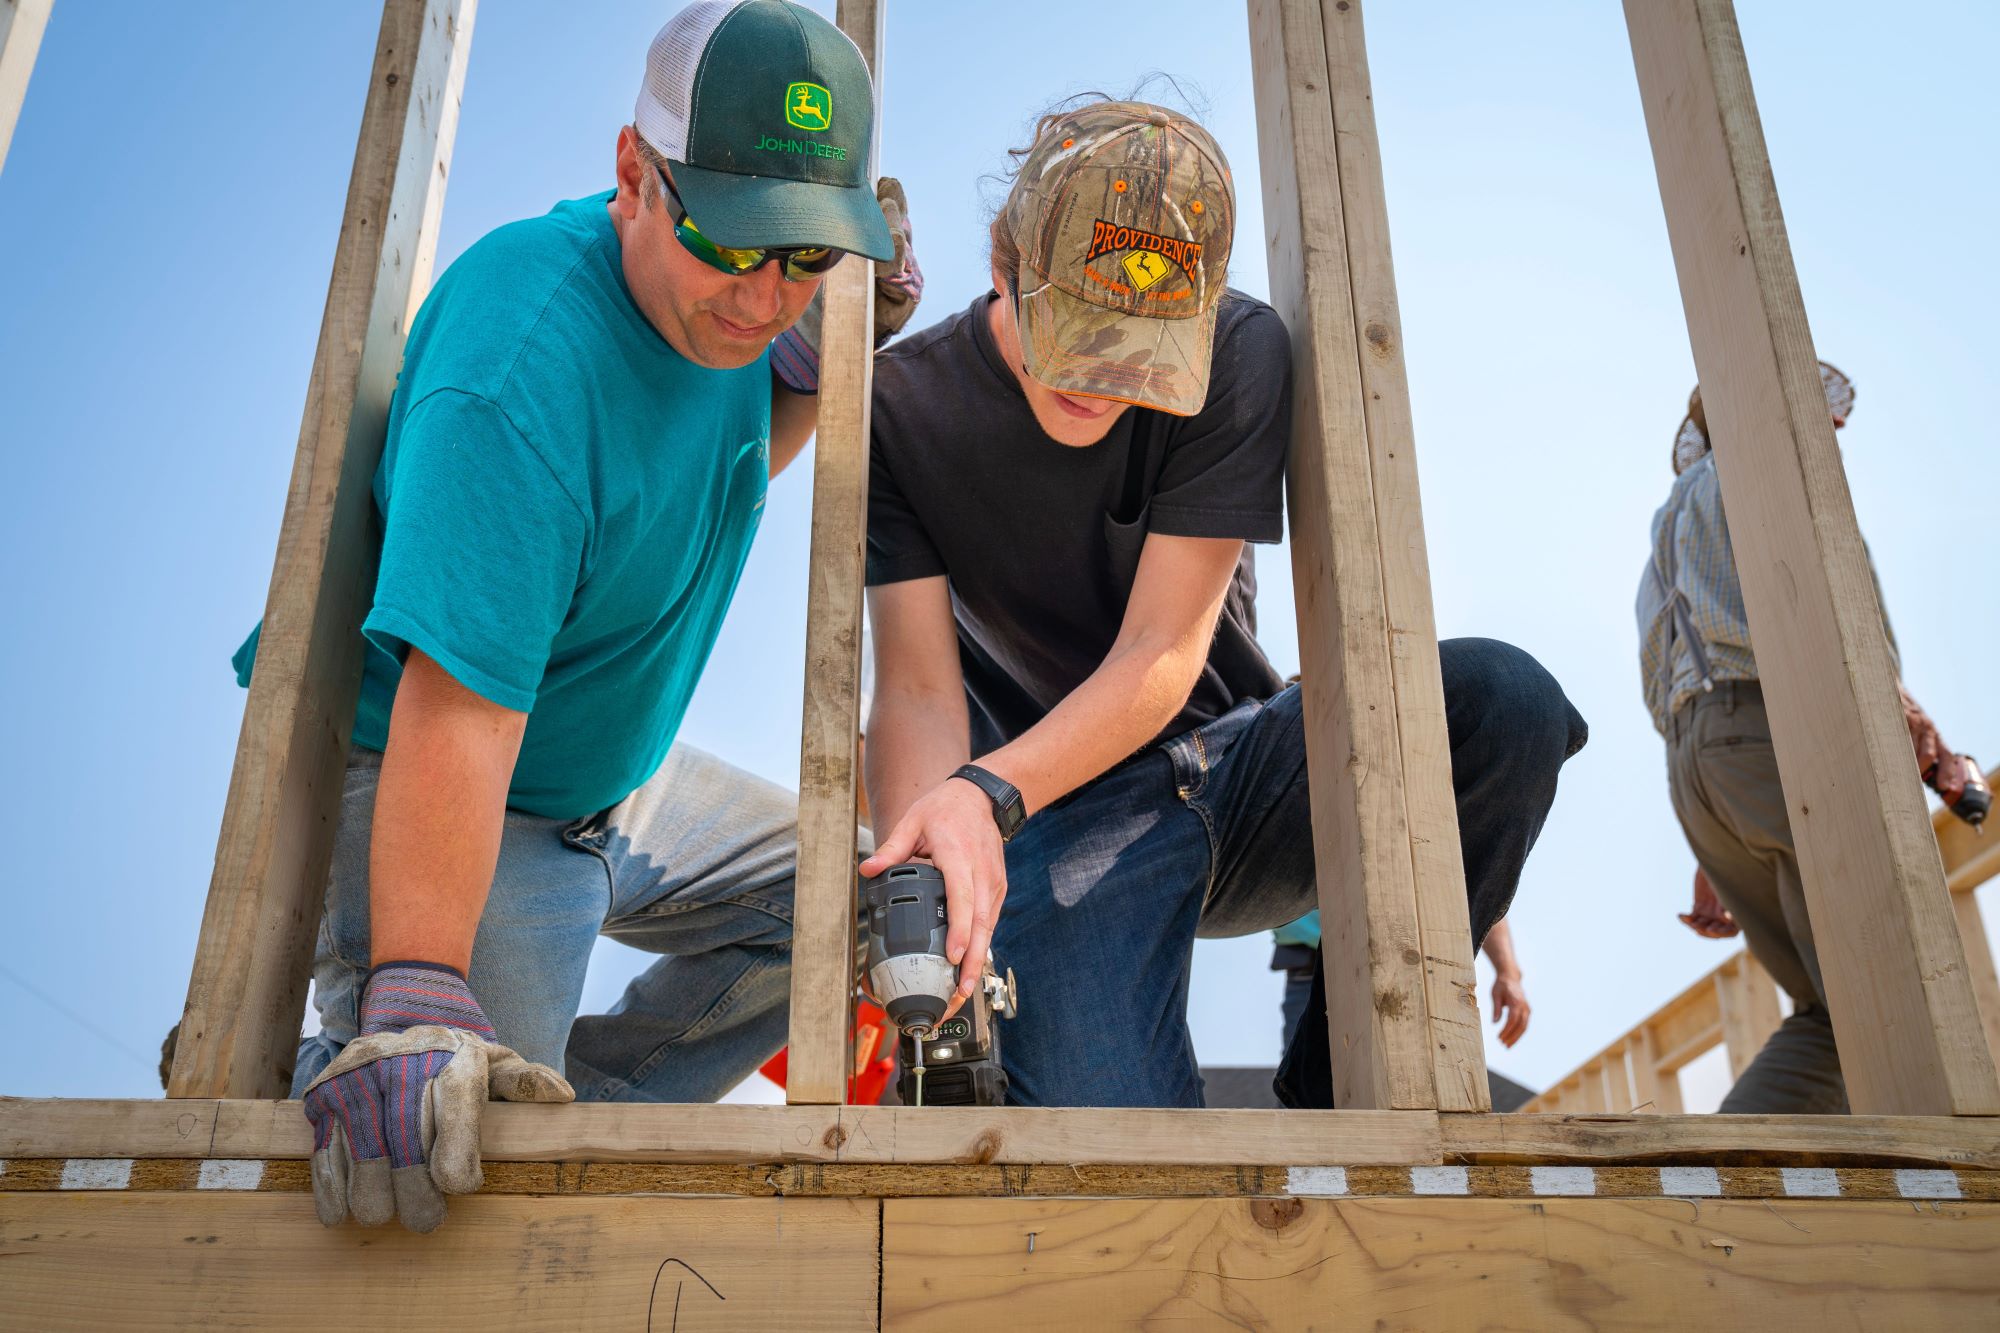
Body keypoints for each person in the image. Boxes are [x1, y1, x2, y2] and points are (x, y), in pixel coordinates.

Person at [229, 1, 918, 1232]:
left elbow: (709, 470)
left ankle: (565, 1116)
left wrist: (807, 375)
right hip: (454, 788)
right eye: (738, 243)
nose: (766, 300)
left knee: (852, 902)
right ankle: (330, 1067)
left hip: (619, 782)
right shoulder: (519, 377)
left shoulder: (719, 316)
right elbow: (462, 709)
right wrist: (421, 989)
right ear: (632, 174)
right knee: (443, 1160)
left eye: (806, 256)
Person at [858, 98, 1587, 1108]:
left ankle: (1340, 1095)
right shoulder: (899, 410)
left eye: (1134, 352)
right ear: (1002, 260)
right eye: (1074, 333)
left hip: (1233, 774)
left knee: (1502, 701)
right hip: (1052, 818)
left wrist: (982, 792)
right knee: (1126, 1155)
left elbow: (1160, 653)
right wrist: (932, 891)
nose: (1101, 384)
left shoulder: (1234, 351)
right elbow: (913, 692)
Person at [1637, 361, 1977, 1113]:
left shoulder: (1669, 519)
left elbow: (1685, 674)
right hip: (1777, 731)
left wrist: (1719, 837)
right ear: (1768, 406)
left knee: (1839, 1015)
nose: (1839, 427)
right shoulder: (1771, 470)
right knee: (1893, 998)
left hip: (1703, 767)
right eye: (1820, 409)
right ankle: (1731, 1190)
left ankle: (1729, 1191)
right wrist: (1918, 727)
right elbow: (1830, 611)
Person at [1272, 911, 1530, 1051]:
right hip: (1311, 972)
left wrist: (1508, 972)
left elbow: (1472, 870)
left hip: (1405, 964)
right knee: (1302, 1102)